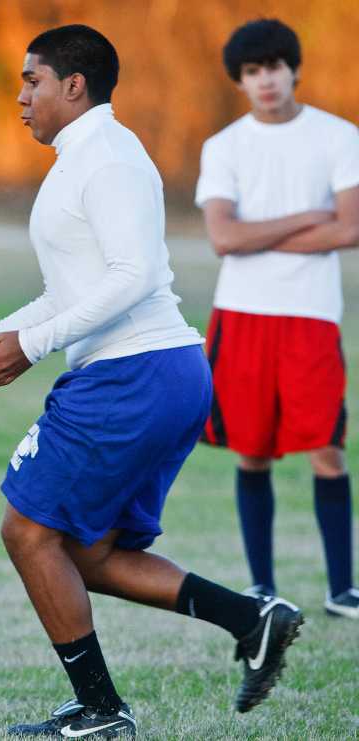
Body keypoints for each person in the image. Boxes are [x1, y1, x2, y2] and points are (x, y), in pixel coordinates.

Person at [0, 24, 303, 738]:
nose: (21, 98)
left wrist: (33, 346)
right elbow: (64, 293)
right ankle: (251, 619)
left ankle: (103, 712)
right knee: (88, 551)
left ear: (73, 86)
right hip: (155, 373)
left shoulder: (106, 157)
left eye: (32, 81)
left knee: (26, 530)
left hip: (134, 375)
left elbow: (134, 275)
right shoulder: (83, 159)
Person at [195, 18, 359, 617]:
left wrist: (254, 233)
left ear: (294, 69)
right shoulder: (225, 146)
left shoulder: (339, 137)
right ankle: (261, 586)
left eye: (274, 68)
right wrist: (304, 218)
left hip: (311, 315)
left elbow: (350, 227)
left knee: (327, 448)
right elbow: (222, 237)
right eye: (252, 72)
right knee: (252, 448)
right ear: (240, 81)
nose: (265, 81)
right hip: (242, 315)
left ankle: (342, 588)